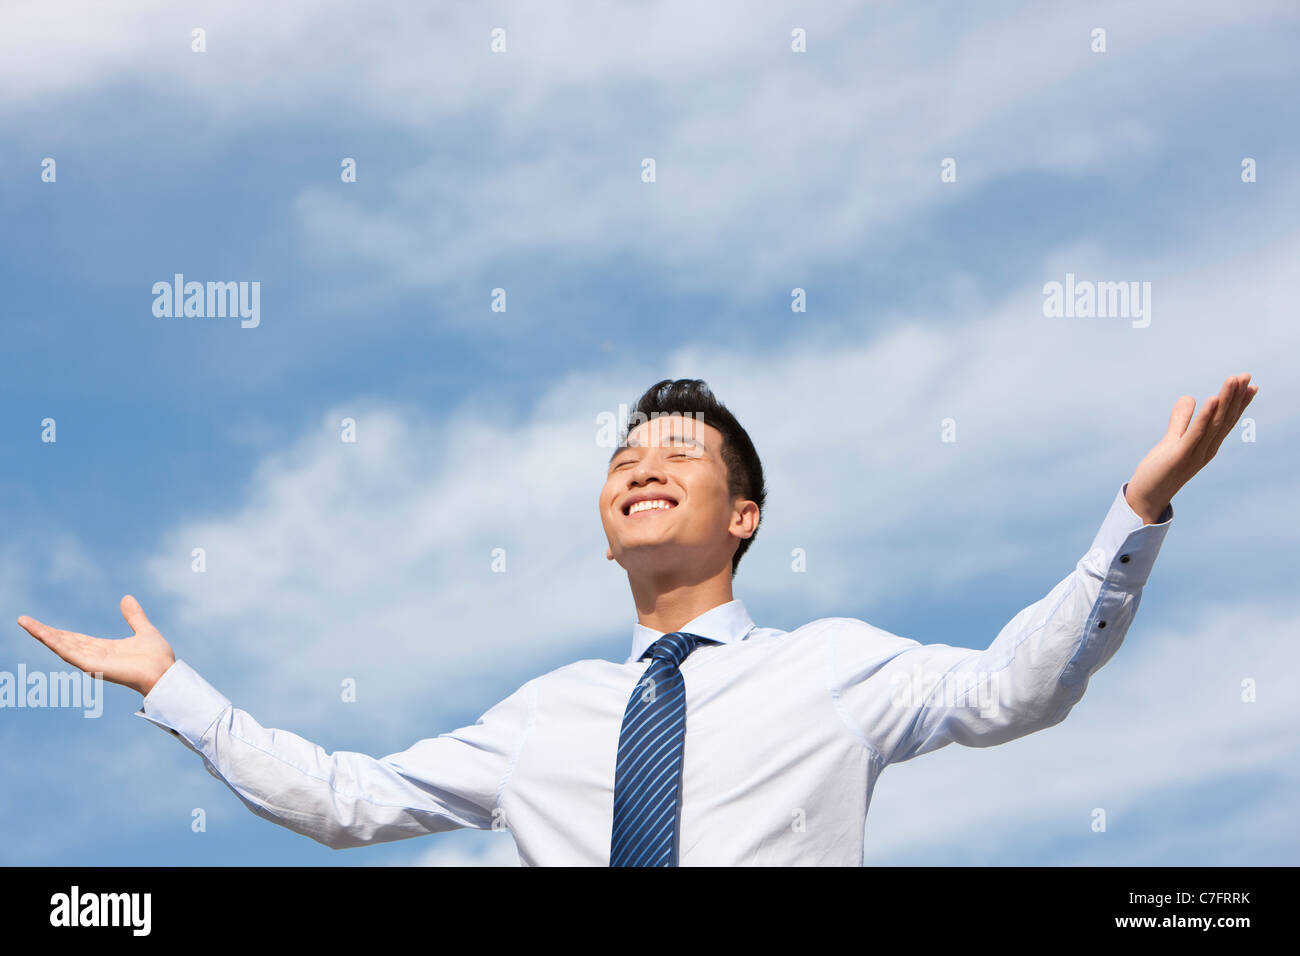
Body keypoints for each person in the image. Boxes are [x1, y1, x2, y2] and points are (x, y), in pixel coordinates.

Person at [17, 374, 1257, 866]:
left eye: (678, 450)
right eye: (624, 455)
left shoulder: (835, 667)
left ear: (746, 515)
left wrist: (1136, 508)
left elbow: (1014, 687)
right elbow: (345, 798)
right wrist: (172, 687)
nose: (643, 462)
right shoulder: (543, 715)